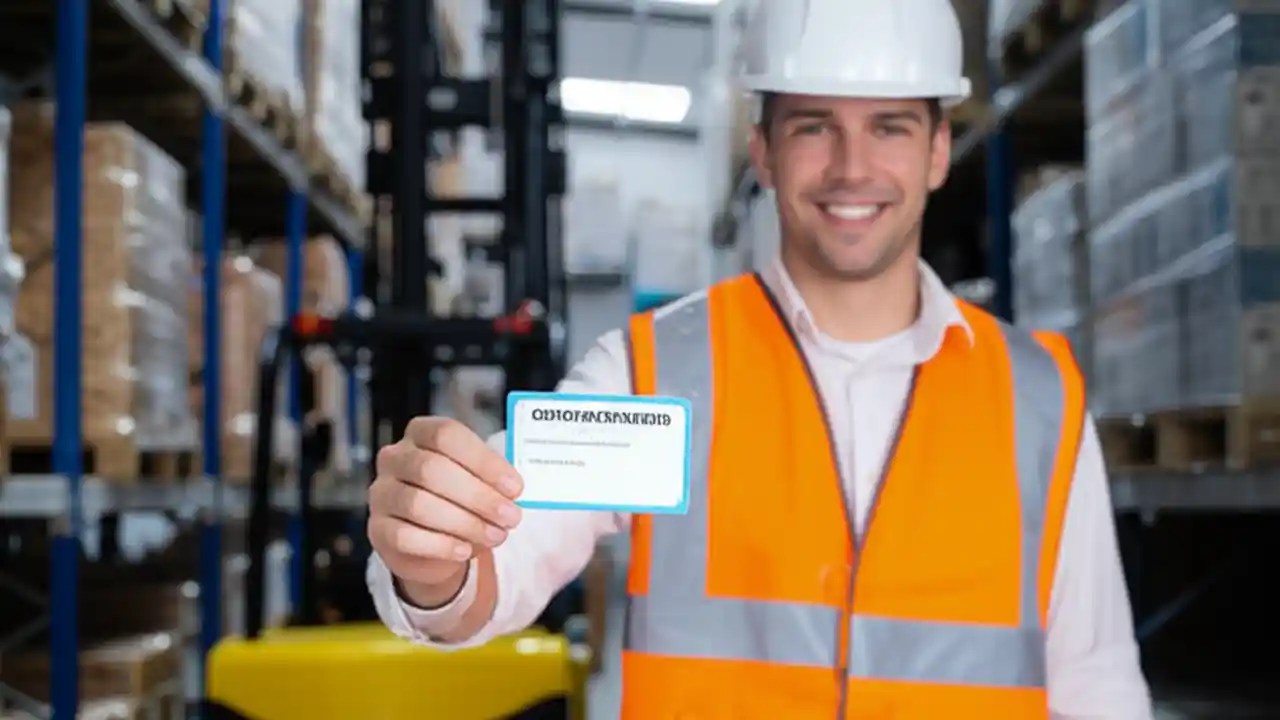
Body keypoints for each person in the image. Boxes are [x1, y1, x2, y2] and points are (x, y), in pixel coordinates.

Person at [365, 0, 1153, 716]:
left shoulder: (1037, 395)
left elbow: (1096, 680)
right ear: (764, 152)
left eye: (890, 126)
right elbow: (507, 552)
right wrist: (432, 561)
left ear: (939, 150)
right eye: (814, 125)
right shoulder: (654, 372)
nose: (852, 167)